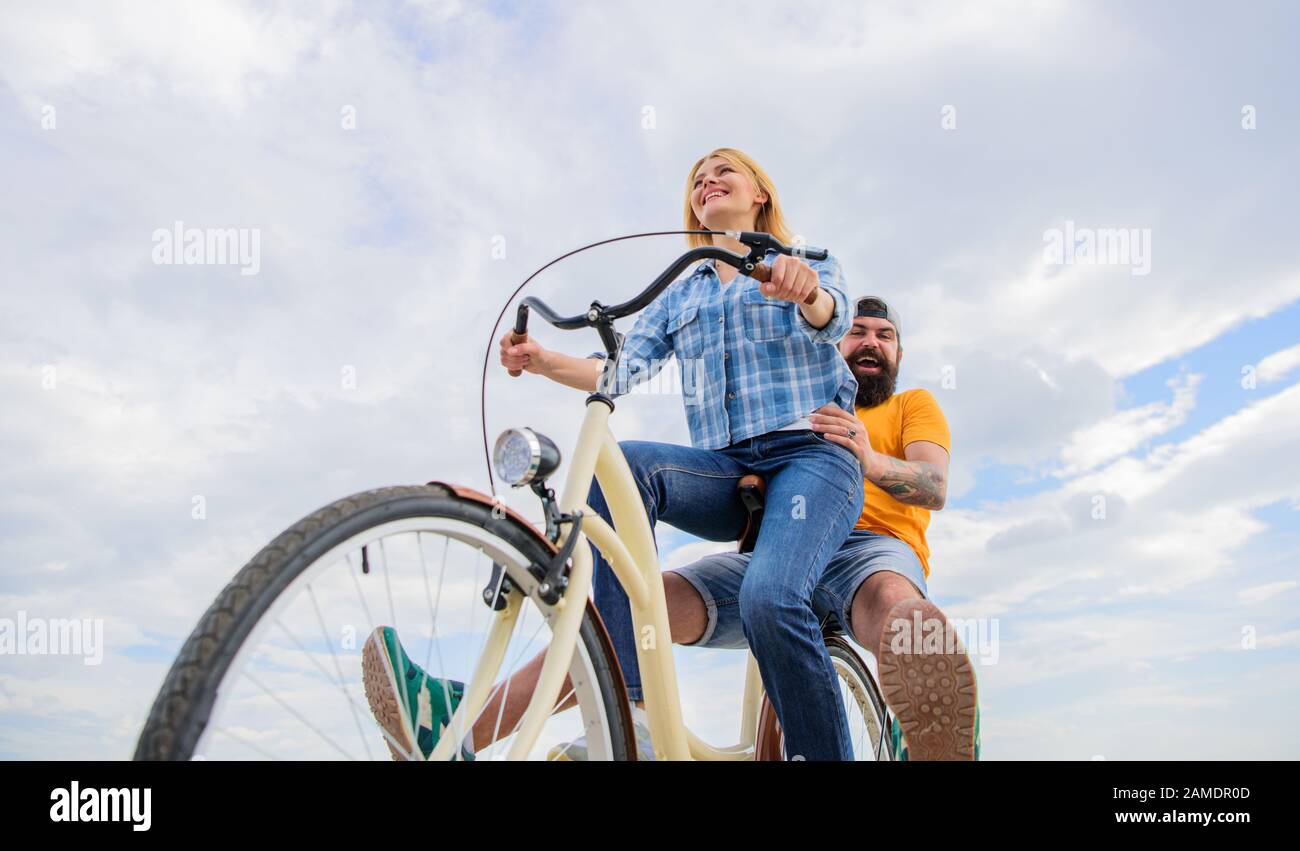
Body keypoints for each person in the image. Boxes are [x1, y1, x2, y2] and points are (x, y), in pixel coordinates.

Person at [362, 147, 865, 760]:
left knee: (769, 598)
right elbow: (618, 369)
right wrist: (544, 359)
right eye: (697, 182)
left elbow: (831, 318)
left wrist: (805, 291)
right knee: (622, 465)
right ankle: (635, 717)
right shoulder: (685, 294)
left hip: (809, 457)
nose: (707, 184)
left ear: (759, 192)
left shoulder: (806, 260)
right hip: (728, 469)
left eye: (722, 174)